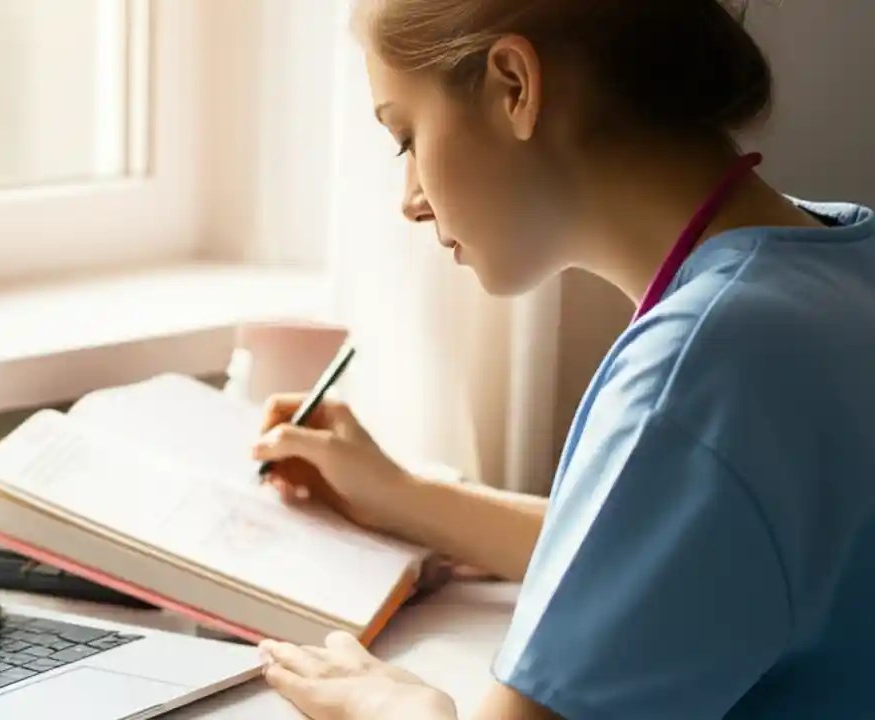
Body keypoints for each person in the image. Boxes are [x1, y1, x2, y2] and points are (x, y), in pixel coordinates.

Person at [249, 0, 875, 718]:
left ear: (514, 85)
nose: (410, 201)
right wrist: (400, 495)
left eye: (407, 138)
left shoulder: (703, 373)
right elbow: (665, 553)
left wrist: (397, 710)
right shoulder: (839, 262)